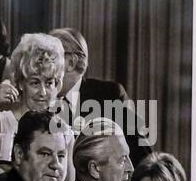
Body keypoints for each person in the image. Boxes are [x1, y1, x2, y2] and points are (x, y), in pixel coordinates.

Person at [0, 32, 64, 181]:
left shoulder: (62, 130)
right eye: (34, 82)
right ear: (20, 83)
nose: (43, 92)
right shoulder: (3, 123)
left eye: (49, 82)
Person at [49, 27, 141, 164]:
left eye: (50, 58)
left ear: (71, 62)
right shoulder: (40, 98)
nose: (43, 67)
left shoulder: (109, 95)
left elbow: (140, 155)